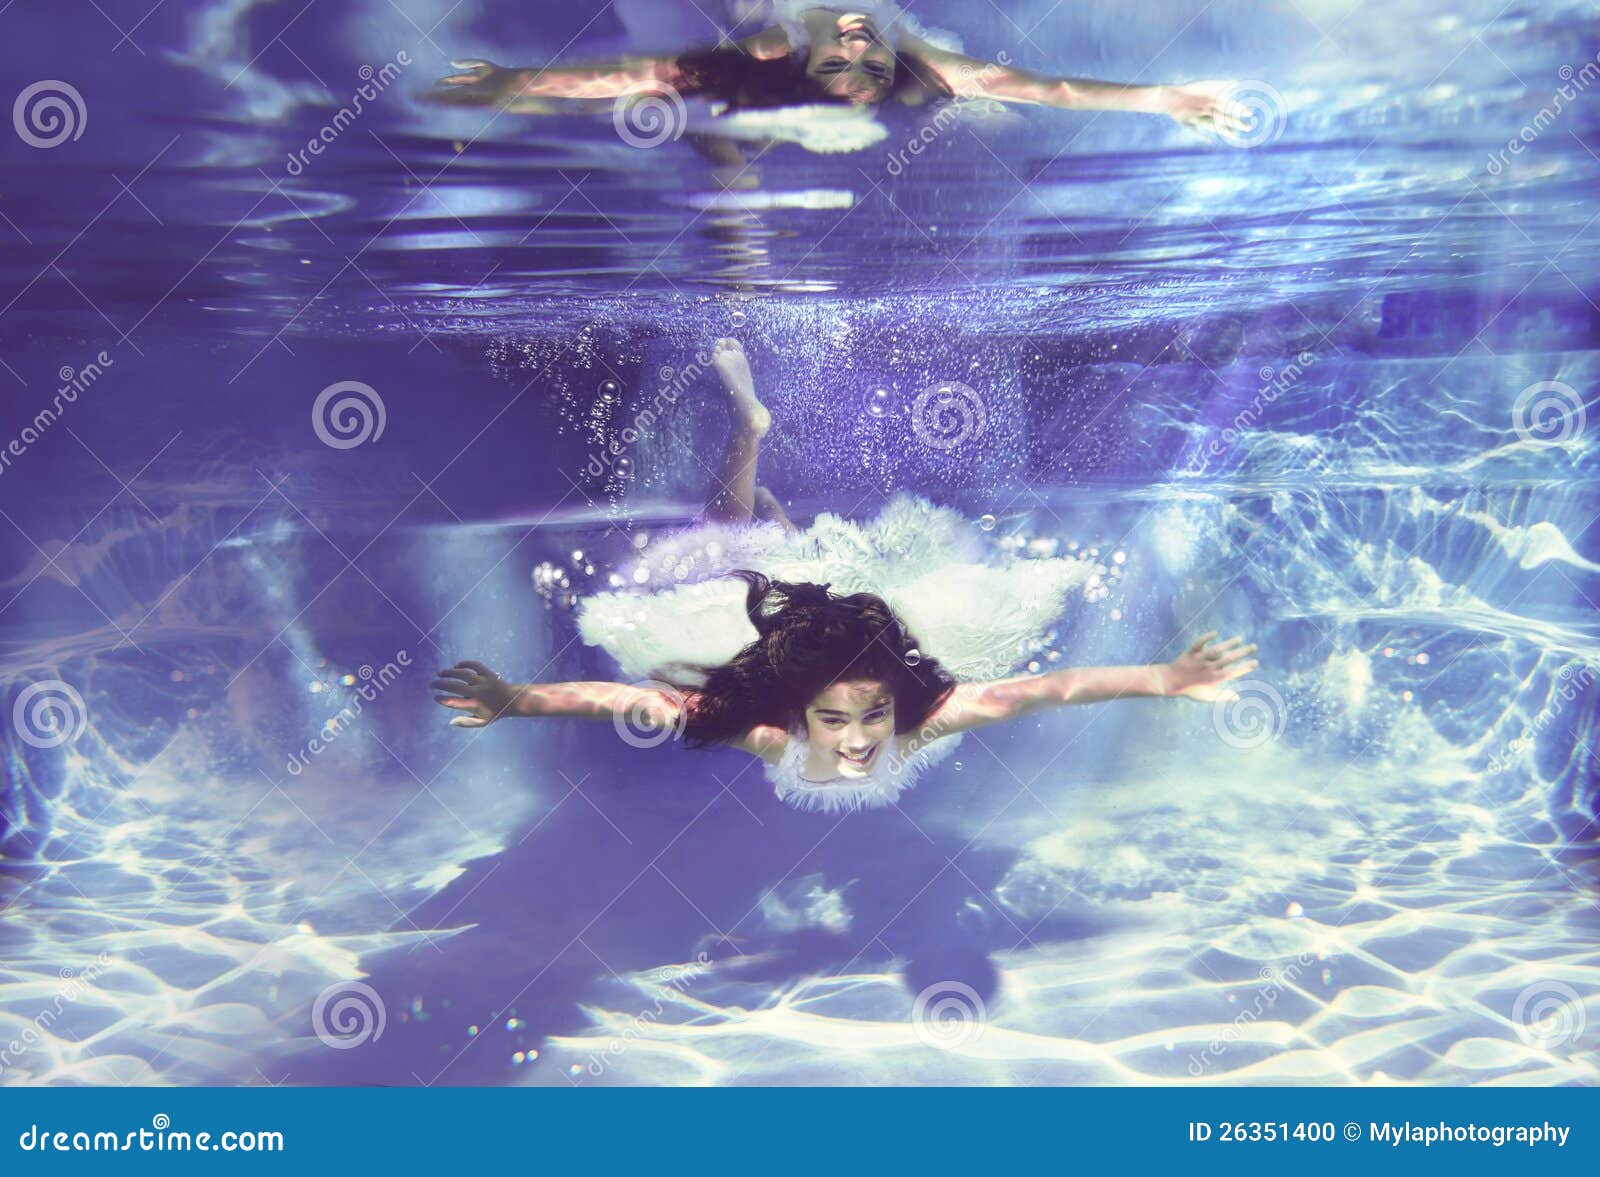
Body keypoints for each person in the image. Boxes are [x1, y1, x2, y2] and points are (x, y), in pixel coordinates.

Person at [432, 339, 1260, 814]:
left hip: (758, 628)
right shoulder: (901, 724)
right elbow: (1043, 688)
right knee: (743, 530)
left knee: (738, 539)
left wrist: (519, 700)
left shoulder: (774, 729)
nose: (861, 738)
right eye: (844, 719)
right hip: (820, 624)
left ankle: (760, 467)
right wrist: (1165, 676)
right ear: (806, 711)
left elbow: (633, 699)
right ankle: (749, 432)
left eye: (862, 717)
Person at [427, 1, 1252, 150]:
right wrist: (1165, 99)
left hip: (759, 28)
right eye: (869, 55)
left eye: (841, 55)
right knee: (987, 100)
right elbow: (1054, 90)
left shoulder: (768, 46)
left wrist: (515, 81)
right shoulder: (923, 59)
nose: (856, 40)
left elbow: (628, 77)